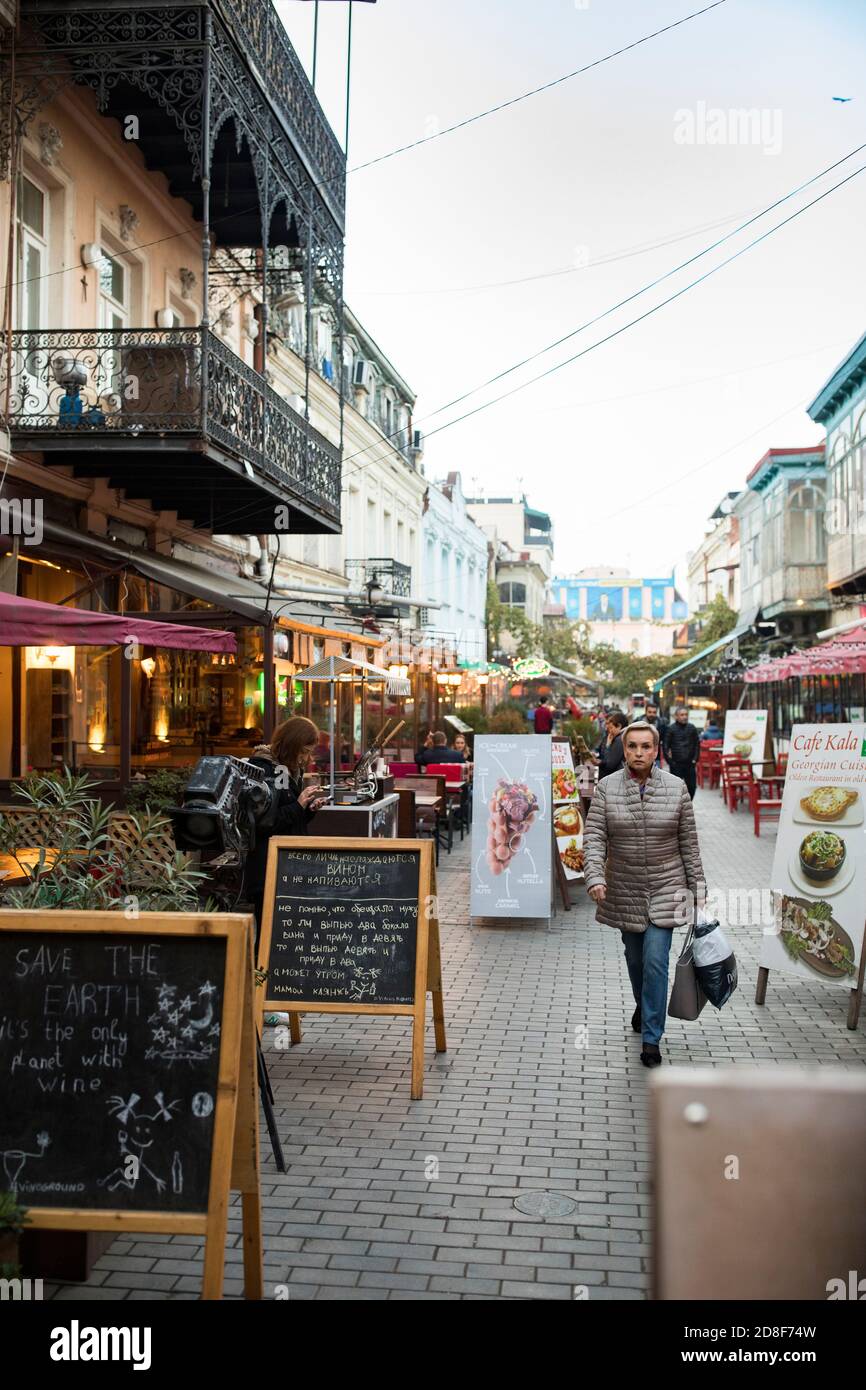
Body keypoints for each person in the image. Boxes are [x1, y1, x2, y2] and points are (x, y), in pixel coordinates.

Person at [583, 720, 707, 1068]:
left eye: (646, 747)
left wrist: (697, 886)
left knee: (656, 960)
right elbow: (594, 839)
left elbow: (689, 844)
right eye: (633, 746)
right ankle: (645, 1002)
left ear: (657, 750)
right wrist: (594, 876)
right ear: (624, 750)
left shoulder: (676, 787)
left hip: (668, 885)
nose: (639, 753)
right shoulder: (607, 788)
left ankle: (652, 1038)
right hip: (625, 885)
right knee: (636, 958)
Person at [244, 716, 330, 933]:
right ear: (292, 744)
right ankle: (261, 967)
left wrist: (308, 809)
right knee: (268, 930)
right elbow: (264, 822)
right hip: (268, 863)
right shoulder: (262, 769)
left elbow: (289, 815)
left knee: (286, 930)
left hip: (288, 862)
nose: (306, 757)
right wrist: (298, 805)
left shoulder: (288, 768)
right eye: (303, 751)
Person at [663, 705, 700, 800]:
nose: (684, 717)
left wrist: (695, 759)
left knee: (692, 787)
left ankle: (687, 804)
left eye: (686, 714)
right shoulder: (671, 729)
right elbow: (665, 746)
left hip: (690, 764)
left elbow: (697, 744)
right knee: (676, 789)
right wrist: (670, 762)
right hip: (676, 764)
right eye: (682, 715)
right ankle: (678, 808)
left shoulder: (692, 728)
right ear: (676, 716)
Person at [593, 709, 628, 780]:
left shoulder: (619, 739)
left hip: (613, 778)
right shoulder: (613, 736)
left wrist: (608, 746)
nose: (608, 728)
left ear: (618, 726)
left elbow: (609, 764)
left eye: (611, 726)